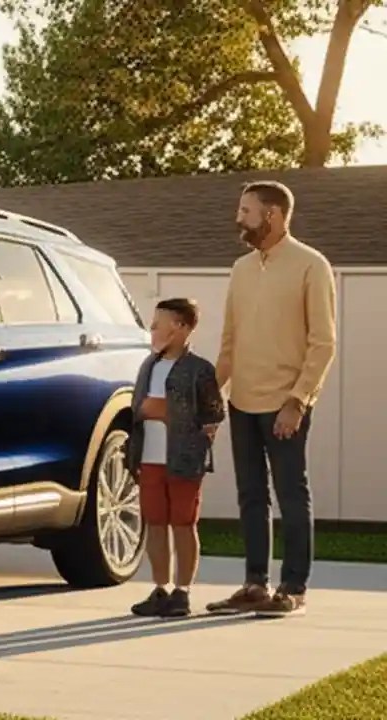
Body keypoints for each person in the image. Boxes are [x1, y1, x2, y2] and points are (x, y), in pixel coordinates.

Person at [207, 181, 336, 618]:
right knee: (250, 496)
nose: (238, 218)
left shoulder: (310, 266)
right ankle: (255, 585)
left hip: (285, 404)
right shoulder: (241, 268)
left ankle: (294, 587)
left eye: (246, 211)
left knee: (291, 494)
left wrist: (297, 401)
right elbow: (229, 341)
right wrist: (211, 399)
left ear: (273, 215)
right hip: (241, 402)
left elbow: (323, 343)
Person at [126, 298, 225, 618]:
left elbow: (212, 416)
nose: (153, 329)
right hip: (149, 457)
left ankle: (182, 591)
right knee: (155, 523)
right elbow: (137, 406)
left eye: (158, 323)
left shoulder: (200, 370)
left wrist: (185, 433)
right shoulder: (148, 365)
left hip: (183, 460)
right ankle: (160, 588)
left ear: (180, 327)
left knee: (183, 523)